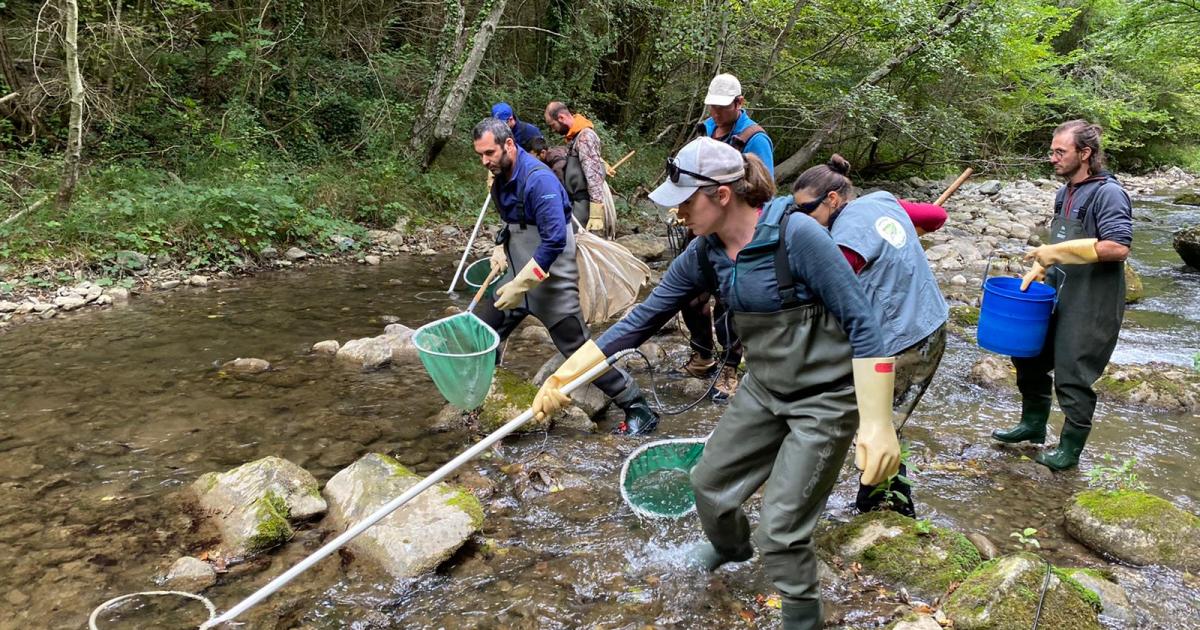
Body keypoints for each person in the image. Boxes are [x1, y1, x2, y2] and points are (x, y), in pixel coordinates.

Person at [530, 137, 899, 630]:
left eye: (685, 201)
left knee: (783, 531)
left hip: (825, 401)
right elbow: (643, 318)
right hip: (764, 390)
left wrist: (876, 423)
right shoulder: (705, 253)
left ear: (722, 194)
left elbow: (864, 326)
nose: (678, 212)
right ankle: (732, 547)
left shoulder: (799, 238)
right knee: (707, 484)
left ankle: (802, 620)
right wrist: (566, 375)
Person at [470, 117, 659, 435]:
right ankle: (481, 398)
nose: (485, 161)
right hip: (516, 275)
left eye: (489, 153)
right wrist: (500, 247)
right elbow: (514, 221)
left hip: (551, 280)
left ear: (509, 145)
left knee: (578, 349)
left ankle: (637, 405)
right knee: (482, 333)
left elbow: (556, 239)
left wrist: (523, 283)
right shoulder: (501, 176)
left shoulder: (539, 180)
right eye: (480, 155)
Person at [789, 155, 950, 517]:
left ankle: (888, 507)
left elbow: (827, 291)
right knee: (882, 417)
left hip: (903, 340)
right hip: (933, 323)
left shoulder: (846, 240)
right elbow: (936, 217)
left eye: (805, 211)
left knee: (875, 420)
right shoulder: (881, 201)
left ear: (832, 200)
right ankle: (878, 499)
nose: (800, 220)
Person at [992, 120, 1133, 470]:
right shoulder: (1065, 192)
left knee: (1073, 374)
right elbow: (1061, 245)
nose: (1051, 158)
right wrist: (1044, 266)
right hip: (1058, 292)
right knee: (1028, 356)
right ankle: (1033, 425)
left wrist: (1056, 253)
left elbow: (1118, 247)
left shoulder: (1108, 193)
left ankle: (1069, 450)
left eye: (1060, 152)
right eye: (1052, 151)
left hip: (1092, 303)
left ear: (1085, 154)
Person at [672, 73, 777, 402]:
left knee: (728, 301)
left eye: (721, 107)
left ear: (739, 103)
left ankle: (730, 367)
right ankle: (703, 355)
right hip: (702, 226)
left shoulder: (755, 138)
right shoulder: (705, 130)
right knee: (690, 295)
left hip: (735, 232)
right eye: (712, 107)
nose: (715, 113)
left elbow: (763, 190)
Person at [544, 101, 607, 233]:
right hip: (576, 202)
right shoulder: (575, 137)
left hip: (584, 205)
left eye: (552, 125)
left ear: (561, 118)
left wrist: (596, 214)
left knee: (577, 243)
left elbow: (593, 176)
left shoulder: (585, 137)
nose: (553, 129)